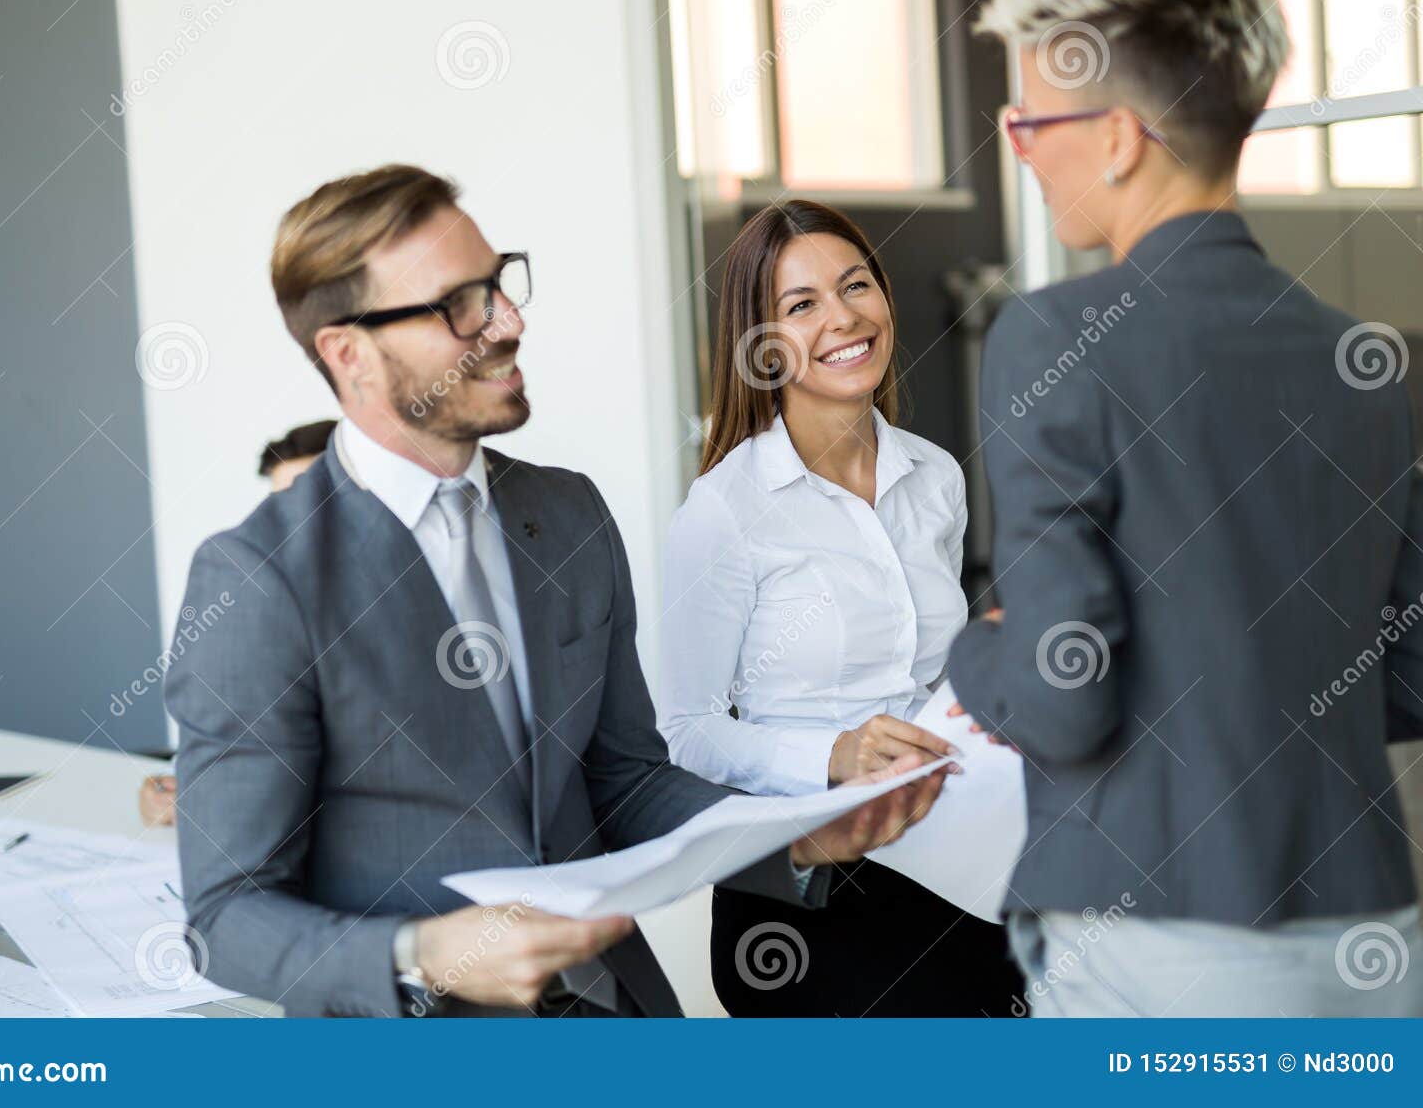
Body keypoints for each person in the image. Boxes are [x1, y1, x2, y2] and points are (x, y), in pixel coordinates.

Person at [165, 164, 935, 1018]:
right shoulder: (258, 581)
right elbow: (225, 917)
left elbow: (626, 781)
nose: (509, 321)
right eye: (459, 305)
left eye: (499, 284)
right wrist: (420, 952)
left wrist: (794, 837)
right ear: (348, 352)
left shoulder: (567, 516)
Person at [947, 0, 1423, 1016]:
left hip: (1157, 933)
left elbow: (1062, 702)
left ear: (1116, 139)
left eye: (1028, 125)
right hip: (1371, 927)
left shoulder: (1055, 337)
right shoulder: (1363, 358)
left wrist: (978, 645)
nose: (1018, 152)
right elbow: (1413, 668)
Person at [659, 200, 1023, 1016]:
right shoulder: (724, 511)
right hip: (812, 897)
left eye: (856, 284)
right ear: (760, 342)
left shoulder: (935, 475)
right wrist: (836, 751)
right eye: (802, 304)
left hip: (961, 865)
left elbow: (931, 676)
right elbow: (685, 733)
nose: (843, 316)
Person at [138, 420, 341, 828]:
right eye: (279, 504)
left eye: (307, 498)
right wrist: (184, 789)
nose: (291, 522)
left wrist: (210, 807)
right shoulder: (259, 609)